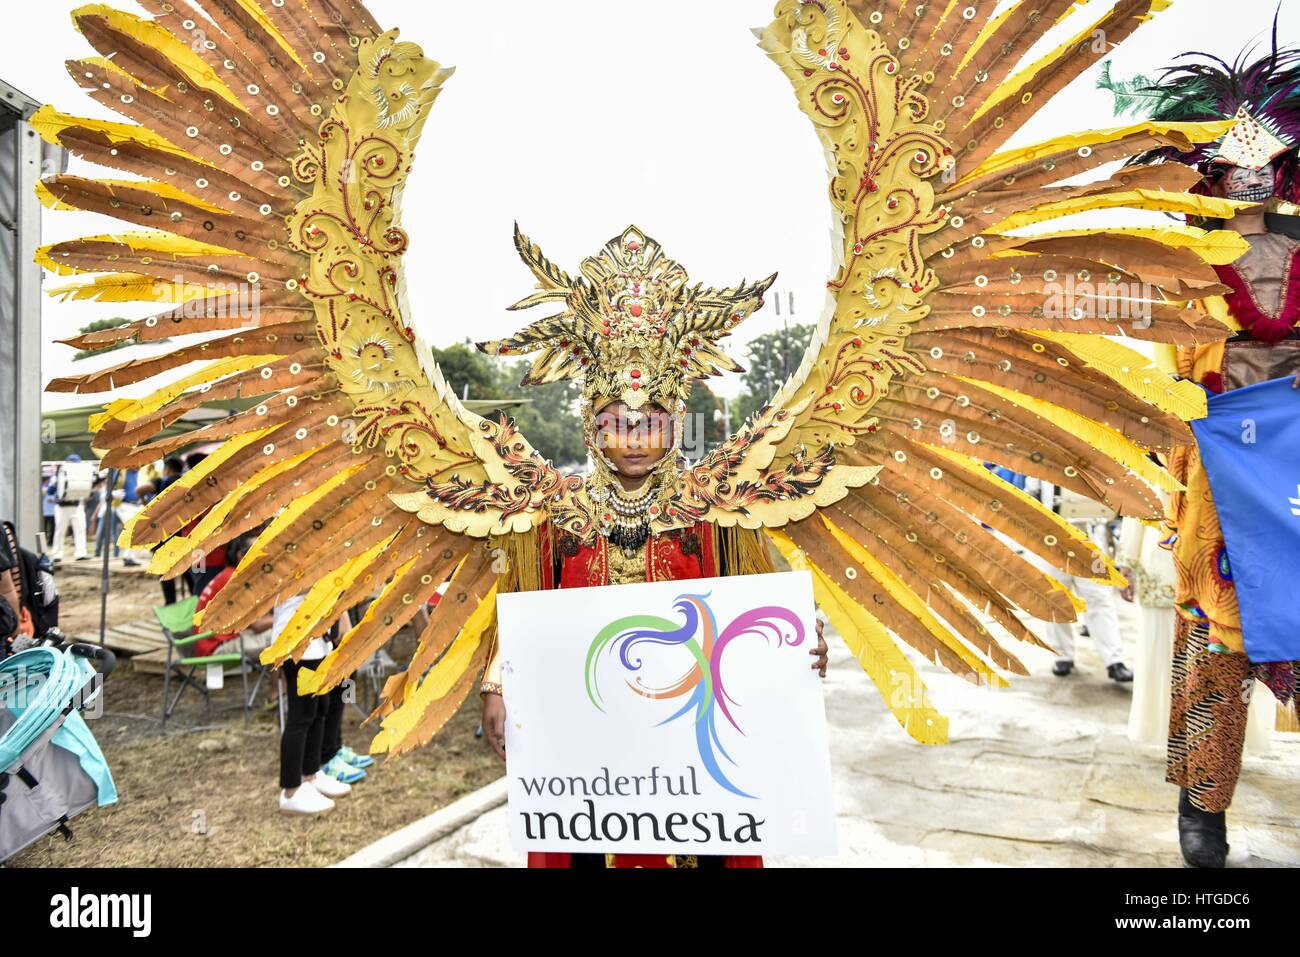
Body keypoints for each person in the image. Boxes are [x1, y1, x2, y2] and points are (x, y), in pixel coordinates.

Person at [1105, 38, 1300, 867]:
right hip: (1221, 471)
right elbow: (1163, 378)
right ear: (1207, 176)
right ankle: (1203, 808)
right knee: (1218, 641)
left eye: (1268, 166)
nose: (1251, 182)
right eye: (1233, 167)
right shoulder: (1182, 271)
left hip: (1296, 462)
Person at [274, 594, 354, 815]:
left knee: (320, 708)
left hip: (316, 644)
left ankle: (310, 775)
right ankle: (290, 791)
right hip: (298, 642)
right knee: (301, 715)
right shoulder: (291, 561)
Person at [50, 454, 93, 562]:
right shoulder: (59, 475)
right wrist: (56, 483)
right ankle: (57, 554)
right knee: (60, 531)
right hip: (62, 506)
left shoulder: (81, 475)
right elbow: (50, 491)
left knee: (80, 529)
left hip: (76, 505)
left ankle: (81, 553)